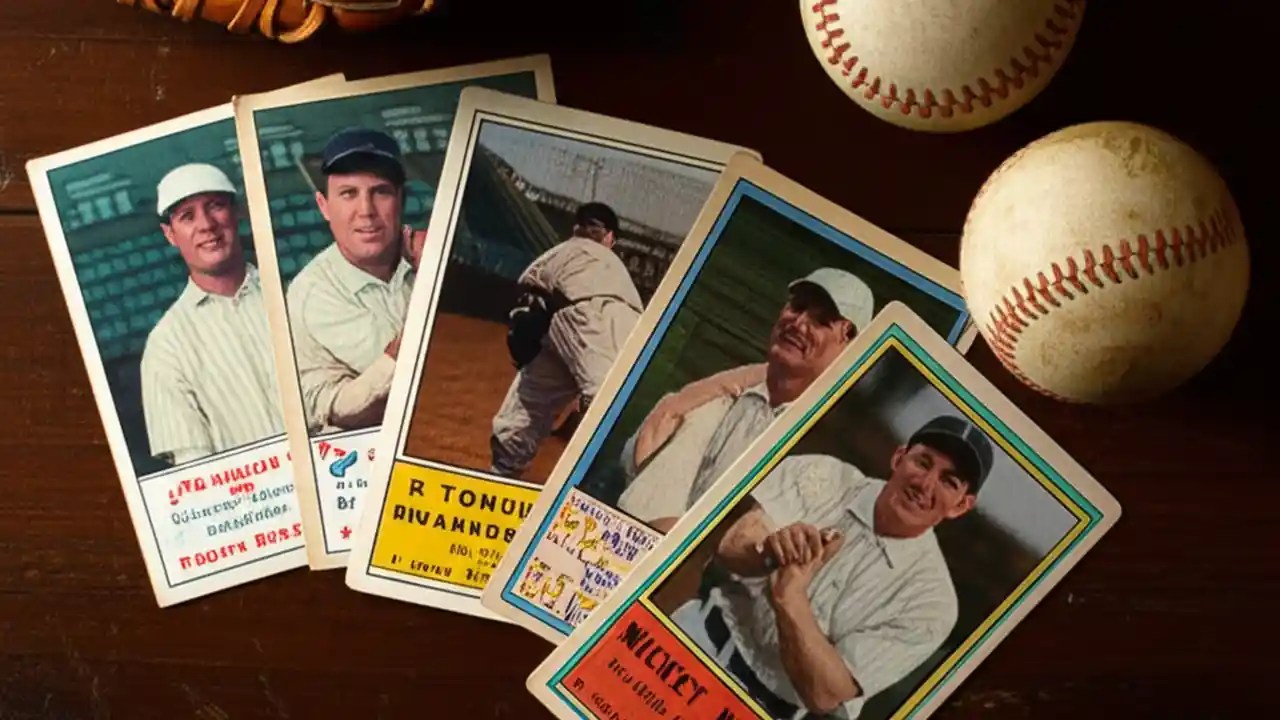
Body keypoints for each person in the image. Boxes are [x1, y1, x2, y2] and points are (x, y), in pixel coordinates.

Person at [670, 415, 994, 719]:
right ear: (899, 458)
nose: (925, 484)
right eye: (922, 462)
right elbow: (731, 545)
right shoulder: (826, 476)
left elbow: (825, 694)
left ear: (962, 505)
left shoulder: (933, 602)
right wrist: (770, 551)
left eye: (949, 482)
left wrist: (790, 599)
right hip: (695, 641)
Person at [614, 268, 875, 530]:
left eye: (821, 320)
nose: (798, 324)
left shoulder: (821, 446)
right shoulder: (720, 399)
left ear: (848, 345)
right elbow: (640, 475)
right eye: (797, 307)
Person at [139, 162, 285, 466]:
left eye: (215, 206)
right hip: (252, 505)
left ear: (237, 212)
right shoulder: (166, 344)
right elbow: (194, 469)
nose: (206, 225)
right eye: (187, 216)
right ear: (170, 234)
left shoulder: (292, 297)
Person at [488, 201, 644, 479]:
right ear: (610, 238)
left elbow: (527, 294)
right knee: (607, 406)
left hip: (570, 316)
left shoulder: (559, 252)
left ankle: (502, 473)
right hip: (607, 322)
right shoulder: (613, 265)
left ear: (576, 228)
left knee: (528, 414)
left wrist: (525, 329)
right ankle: (601, 484)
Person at [287, 127, 419, 434]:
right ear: (324, 206)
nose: (366, 211)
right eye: (349, 194)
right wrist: (435, 285)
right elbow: (339, 408)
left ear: (401, 199)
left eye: (381, 192)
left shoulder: (436, 251)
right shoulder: (311, 294)